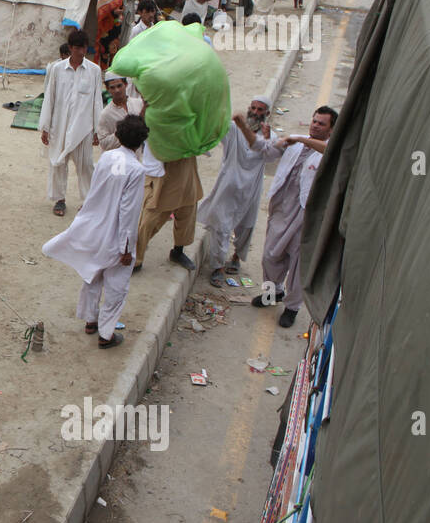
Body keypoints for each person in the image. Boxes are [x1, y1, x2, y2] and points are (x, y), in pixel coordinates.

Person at [42, 115, 150, 350]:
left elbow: (95, 191)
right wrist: (126, 248)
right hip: (115, 235)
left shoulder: (108, 157)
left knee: (92, 275)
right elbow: (129, 212)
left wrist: (85, 211)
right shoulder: (137, 170)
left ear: (118, 136)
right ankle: (106, 333)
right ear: (141, 142)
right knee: (116, 285)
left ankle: (91, 320)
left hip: (93, 228)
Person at [254, 106, 336, 328]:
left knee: (298, 263)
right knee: (270, 256)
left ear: (331, 130)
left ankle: (292, 308)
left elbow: (327, 152)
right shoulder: (296, 143)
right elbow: (270, 153)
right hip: (281, 208)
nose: (315, 125)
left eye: (321, 123)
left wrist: (300, 138)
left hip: (306, 215)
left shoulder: (330, 150)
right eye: (314, 121)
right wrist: (270, 138)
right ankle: (272, 294)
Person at [196, 98, 279, 288]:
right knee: (220, 226)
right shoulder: (233, 128)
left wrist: (261, 137)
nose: (255, 112)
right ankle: (217, 267)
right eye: (253, 108)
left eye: (260, 110)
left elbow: (269, 154)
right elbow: (215, 131)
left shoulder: (270, 136)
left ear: (266, 114)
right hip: (227, 185)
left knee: (246, 226)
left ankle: (236, 256)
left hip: (251, 188)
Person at [39, 29, 101, 217]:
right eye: (77, 48)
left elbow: (97, 100)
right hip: (60, 124)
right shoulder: (57, 69)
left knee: (86, 165)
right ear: (71, 48)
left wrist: (97, 130)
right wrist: (45, 127)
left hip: (83, 127)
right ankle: (60, 200)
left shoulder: (94, 71)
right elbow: (49, 97)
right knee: (58, 163)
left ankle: (89, 201)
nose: (81, 52)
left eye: (83, 48)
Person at [135, 140, 203, 271]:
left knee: (186, 214)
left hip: (187, 167)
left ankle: (178, 251)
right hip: (163, 172)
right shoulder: (155, 124)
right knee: (149, 220)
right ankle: (136, 259)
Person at [96, 72, 144, 150]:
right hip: (117, 158)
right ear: (108, 89)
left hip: (138, 156)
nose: (117, 90)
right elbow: (103, 143)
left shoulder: (138, 103)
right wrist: (122, 133)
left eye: (119, 86)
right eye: (112, 87)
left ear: (126, 84)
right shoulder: (105, 114)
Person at [95, 0, 125, 66]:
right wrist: (112, 12)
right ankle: (103, 68)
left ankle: (112, 67)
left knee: (114, 45)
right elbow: (100, 10)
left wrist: (120, 13)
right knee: (104, 47)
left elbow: (123, 6)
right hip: (105, 25)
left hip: (116, 24)